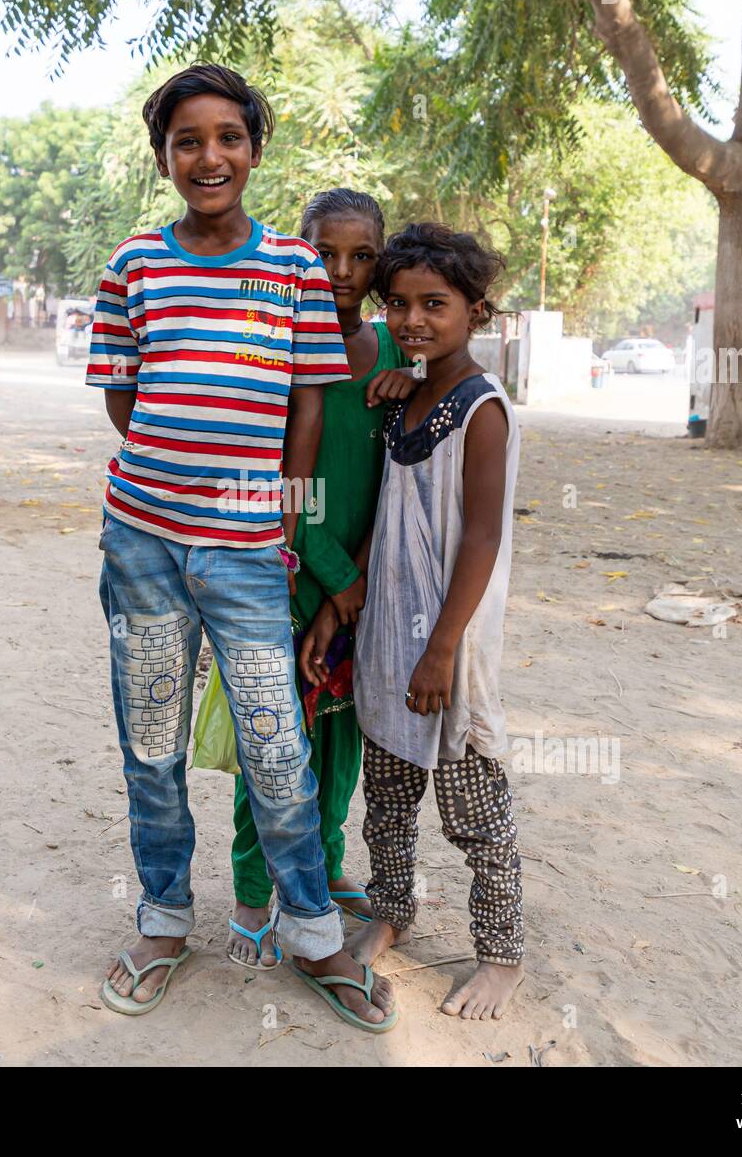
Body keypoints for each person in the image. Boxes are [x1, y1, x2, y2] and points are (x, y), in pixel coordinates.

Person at [86, 63, 396, 1031]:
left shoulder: (294, 269)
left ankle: (311, 932)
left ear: (254, 151)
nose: (208, 155)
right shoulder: (135, 264)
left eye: (227, 137)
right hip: (142, 541)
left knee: (274, 745)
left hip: (247, 553)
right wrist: (172, 476)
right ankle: (163, 919)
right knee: (151, 742)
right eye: (188, 140)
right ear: (165, 157)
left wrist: (272, 514)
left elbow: (307, 397)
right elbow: (122, 392)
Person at [334, 221, 527, 1022]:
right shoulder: (410, 395)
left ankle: (502, 956)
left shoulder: (481, 408)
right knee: (386, 798)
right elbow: (392, 503)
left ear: (476, 310)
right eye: (401, 304)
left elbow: (479, 536)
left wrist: (441, 648)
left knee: (475, 810)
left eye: (435, 305)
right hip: (390, 636)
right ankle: (391, 909)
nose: (414, 320)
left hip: (449, 646)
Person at [224, 188, 415, 969]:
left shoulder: (396, 355)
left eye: (360, 255)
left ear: (380, 262)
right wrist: (332, 578)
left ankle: (324, 866)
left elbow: (402, 482)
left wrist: (356, 582)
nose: (339, 270)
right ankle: (250, 893)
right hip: (289, 575)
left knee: (341, 738)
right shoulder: (273, 349)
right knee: (273, 742)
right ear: (294, 250)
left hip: (364, 584)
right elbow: (276, 480)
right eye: (322, 251)